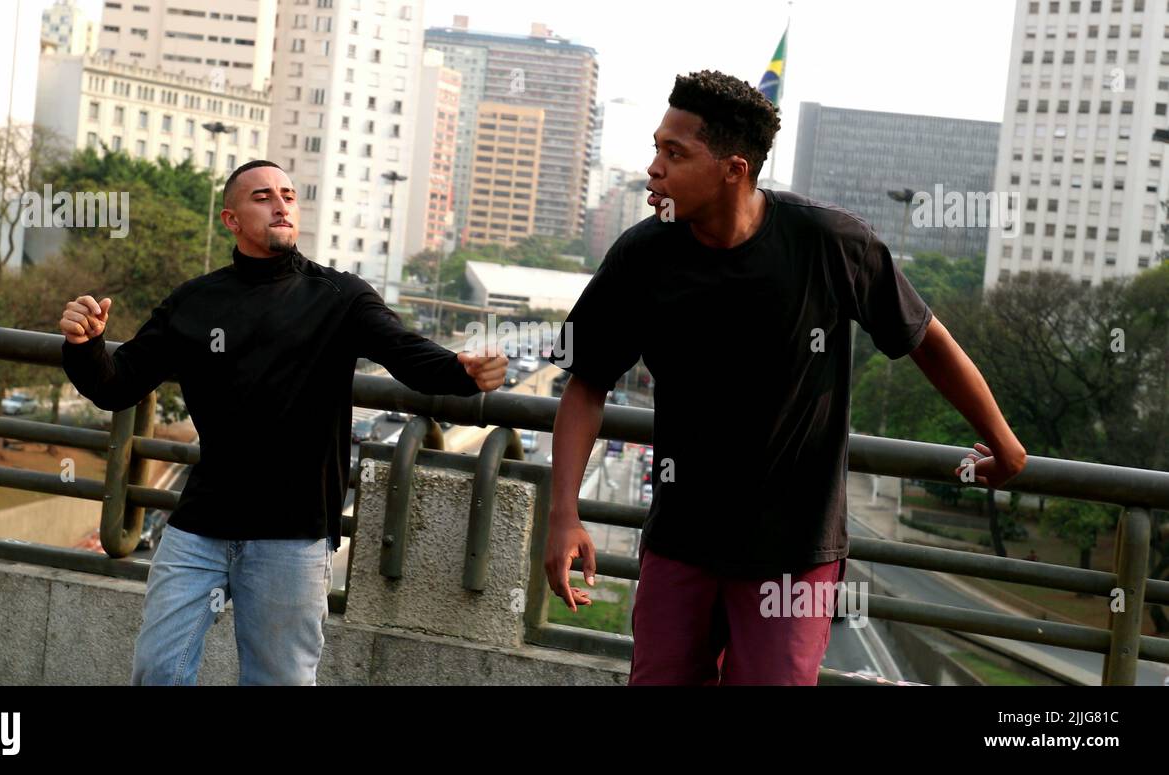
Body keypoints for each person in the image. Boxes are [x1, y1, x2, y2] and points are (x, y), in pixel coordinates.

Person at [543, 71, 1027, 686]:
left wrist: (1003, 440)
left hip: (793, 556)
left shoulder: (827, 243)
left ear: (733, 169)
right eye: (656, 147)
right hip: (679, 540)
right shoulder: (643, 255)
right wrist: (564, 514)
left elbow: (925, 339)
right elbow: (586, 385)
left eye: (675, 152)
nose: (654, 168)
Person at [59, 160, 508, 685]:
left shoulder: (338, 297)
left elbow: (406, 354)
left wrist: (463, 370)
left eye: (289, 195)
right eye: (263, 196)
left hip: (292, 534)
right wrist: (85, 345)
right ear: (231, 219)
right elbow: (118, 385)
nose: (281, 204)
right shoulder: (195, 302)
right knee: (157, 670)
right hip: (200, 524)